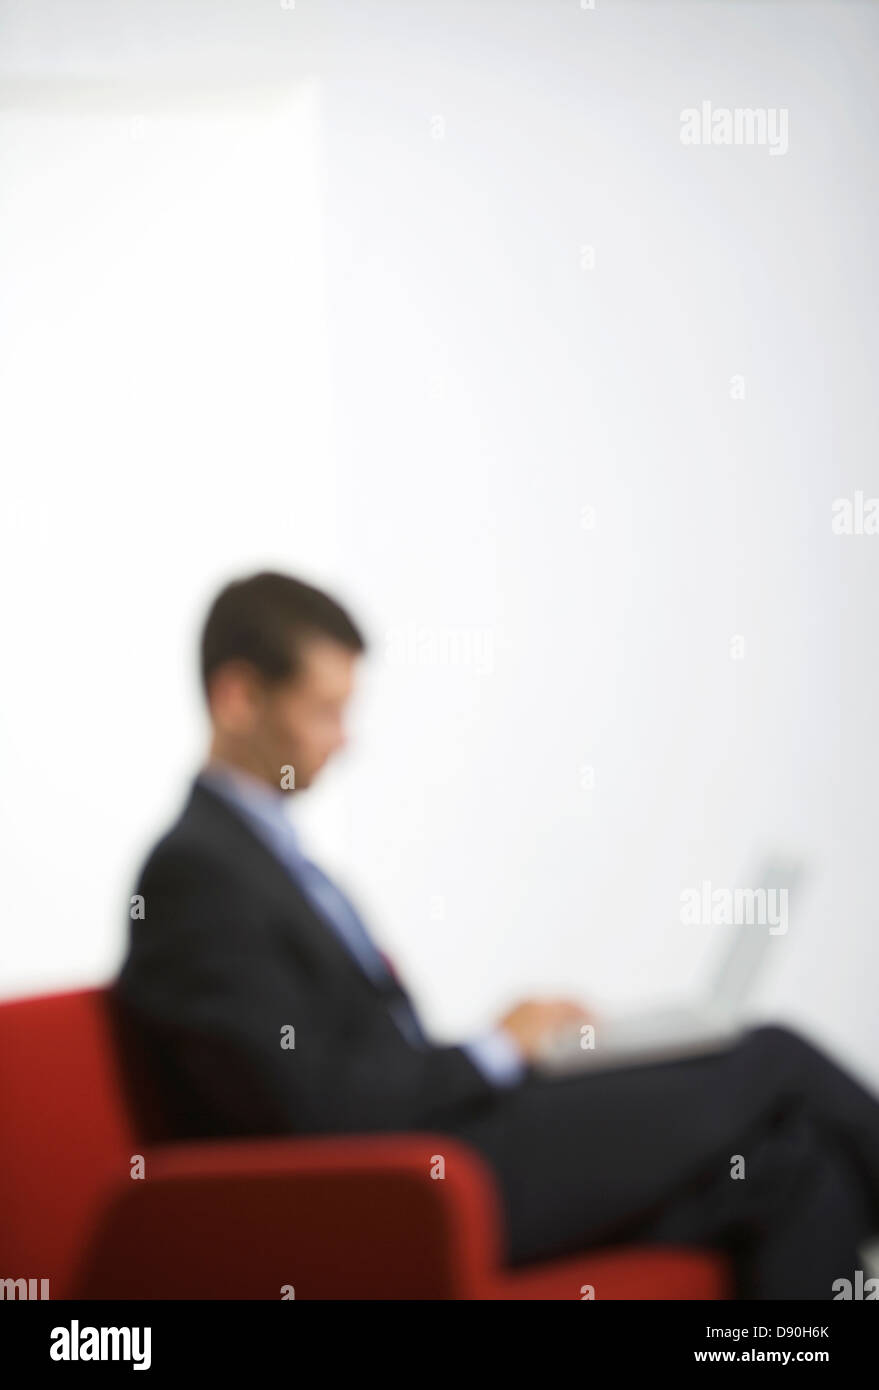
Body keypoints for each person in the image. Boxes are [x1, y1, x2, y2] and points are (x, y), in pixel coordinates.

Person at [113, 570, 879, 1298]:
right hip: (414, 1187)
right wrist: (494, 1051)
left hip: (450, 1148)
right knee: (769, 1058)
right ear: (239, 696)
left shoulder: (266, 861)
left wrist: (506, 1055)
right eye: (325, 711)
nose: (344, 740)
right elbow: (316, 1107)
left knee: (790, 1171)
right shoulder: (194, 876)